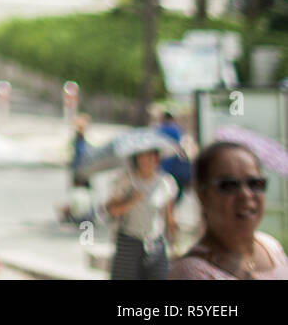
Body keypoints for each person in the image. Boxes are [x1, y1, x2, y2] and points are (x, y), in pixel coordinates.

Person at [168, 141, 288, 280]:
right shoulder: (191, 272)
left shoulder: (269, 246)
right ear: (201, 194)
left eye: (255, 183)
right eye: (229, 185)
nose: (246, 194)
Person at [105, 147, 176, 280]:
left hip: (155, 243)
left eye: (150, 156)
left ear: (156, 158)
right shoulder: (126, 180)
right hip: (129, 241)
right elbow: (111, 210)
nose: (145, 161)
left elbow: (169, 218)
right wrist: (131, 201)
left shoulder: (165, 182)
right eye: (141, 156)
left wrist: (173, 245)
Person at [156, 111, 192, 203]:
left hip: (163, 163)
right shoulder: (177, 130)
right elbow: (181, 144)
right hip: (175, 162)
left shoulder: (159, 129)